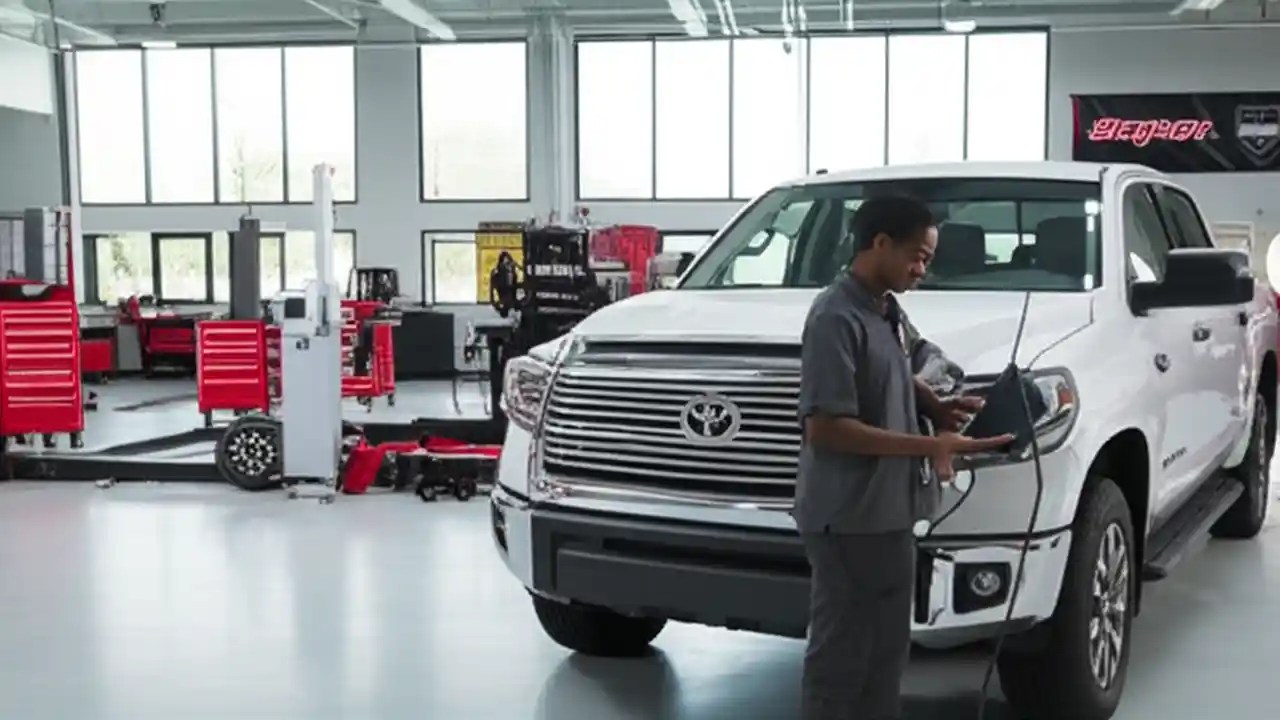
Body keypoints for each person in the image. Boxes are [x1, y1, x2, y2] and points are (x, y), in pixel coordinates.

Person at [793, 195, 1012, 720]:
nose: (921, 269)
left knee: (886, 656)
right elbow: (825, 427)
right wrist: (930, 446)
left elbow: (885, 368)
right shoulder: (833, 316)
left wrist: (931, 404)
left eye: (927, 260)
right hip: (848, 520)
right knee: (842, 661)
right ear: (880, 243)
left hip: (888, 516)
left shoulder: (886, 310)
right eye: (917, 256)